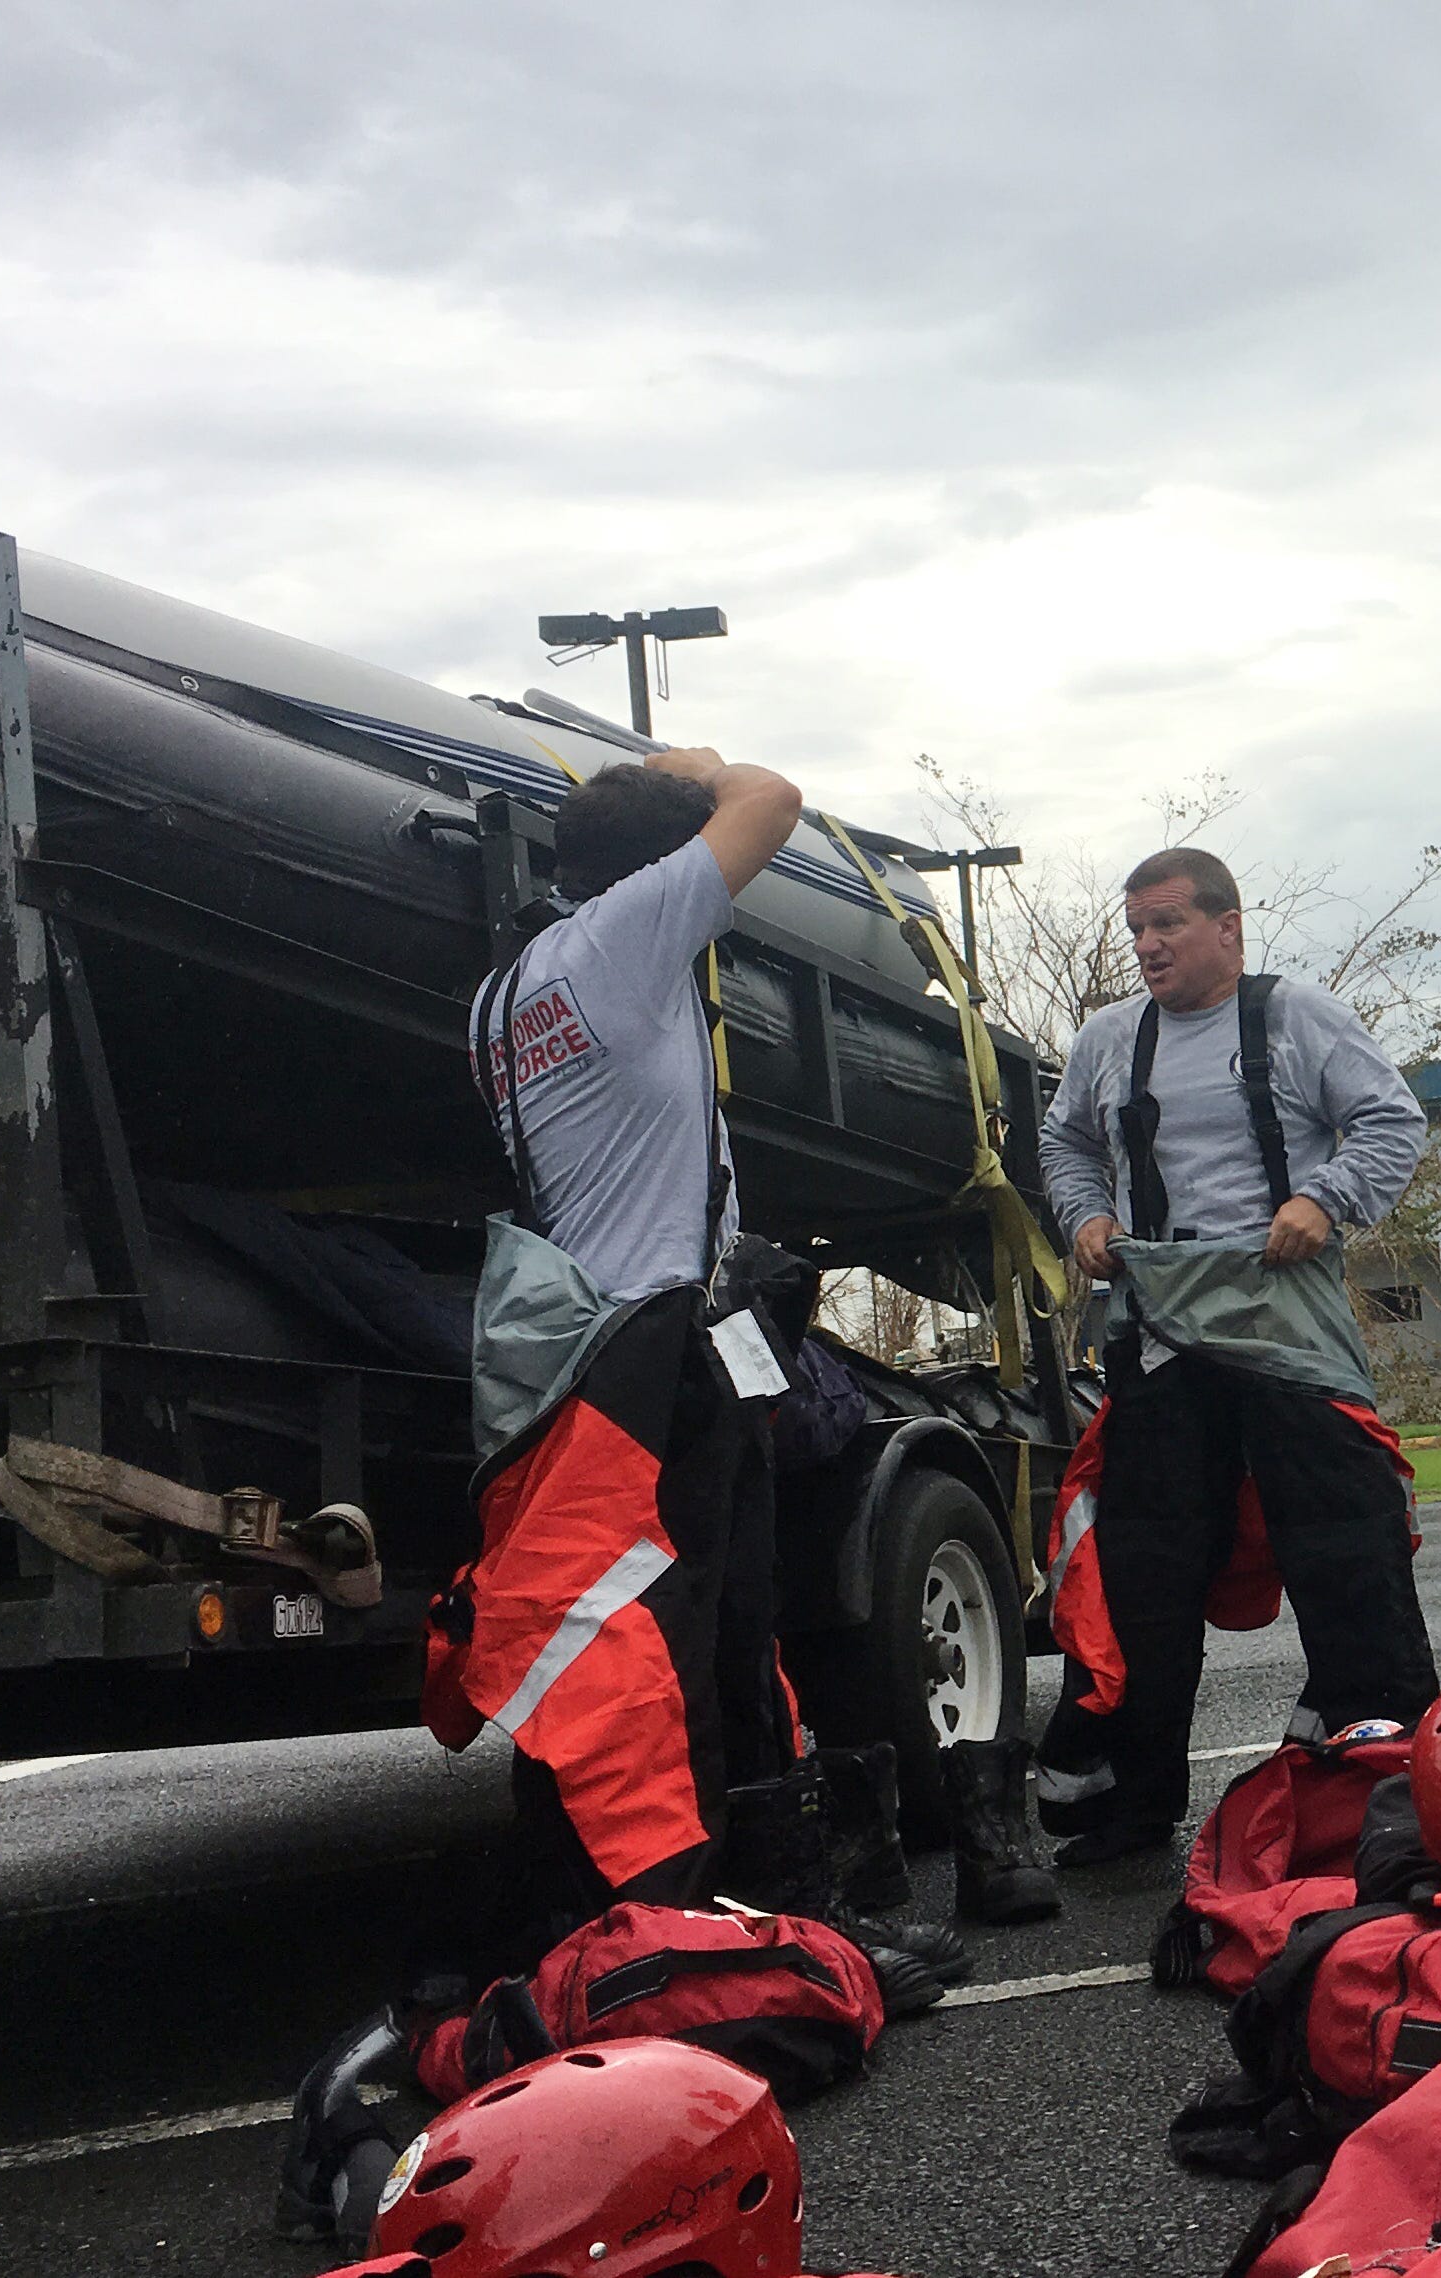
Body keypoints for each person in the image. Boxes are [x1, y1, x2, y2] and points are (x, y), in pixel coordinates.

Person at [444, 750, 970, 1975]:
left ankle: (782, 1918)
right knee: (709, 1642)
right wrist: (690, 770)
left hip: (606, 1354)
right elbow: (774, 798)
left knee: (718, 1637)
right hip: (665, 1358)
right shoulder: (626, 937)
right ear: (658, 870)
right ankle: (728, 1933)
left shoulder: (506, 991)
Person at [1031, 848, 1440, 1866]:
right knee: (1145, 1574)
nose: (1148, 946)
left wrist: (1324, 1199)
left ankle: (1375, 1787)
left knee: (1346, 1545)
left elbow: (1392, 1119)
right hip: (1158, 1330)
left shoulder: (1297, 1016)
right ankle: (1130, 1804)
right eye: (1136, 929)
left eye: (1166, 923)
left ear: (1229, 925)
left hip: (1281, 1316)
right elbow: (1064, 1142)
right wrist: (1084, 1213)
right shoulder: (1107, 1042)